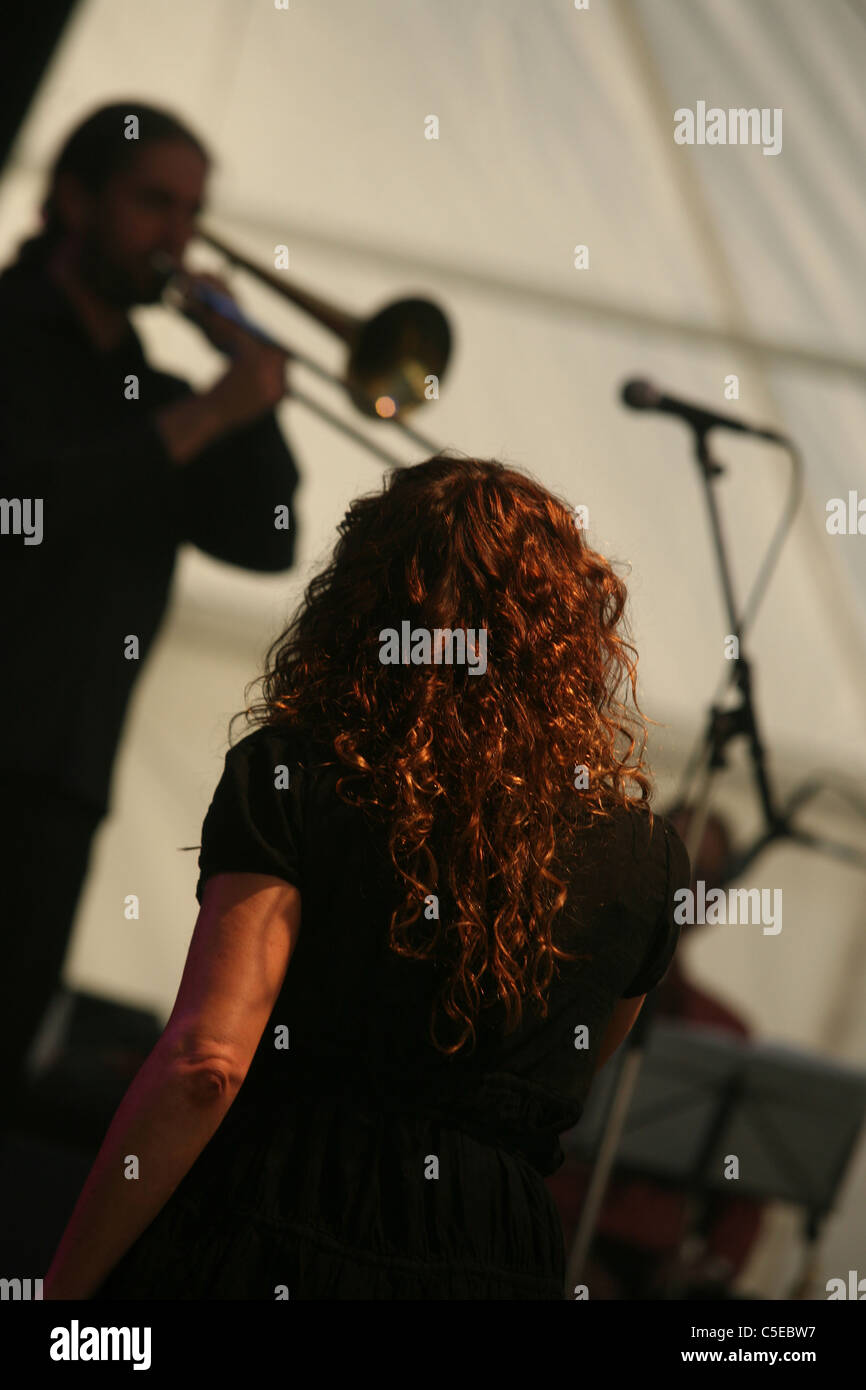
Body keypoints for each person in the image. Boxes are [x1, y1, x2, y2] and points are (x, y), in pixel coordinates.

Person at [43, 454, 690, 1300]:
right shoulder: (647, 858)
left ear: (366, 599)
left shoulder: (296, 775)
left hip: (282, 1219)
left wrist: (62, 1294)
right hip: (495, 1251)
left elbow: (208, 1063)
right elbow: (563, 1078)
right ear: (567, 634)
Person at [0, 102, 300, 1121]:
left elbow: (266, 533)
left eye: (193, 211)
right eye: (153, 203)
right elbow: (25, 511)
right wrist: (212, 409)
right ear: (72, 199)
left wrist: (245, 384)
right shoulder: (9, 334)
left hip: (61, 783)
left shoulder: (150, 388)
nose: (176, 235)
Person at [545, 804, 766, 1298]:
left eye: (709, 876)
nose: (692, 889)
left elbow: (742, 1198)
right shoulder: (565, 987)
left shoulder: (725, 1031)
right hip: (544, 1243)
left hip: (651, 1271)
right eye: (681, 866)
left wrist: (710, 1268)